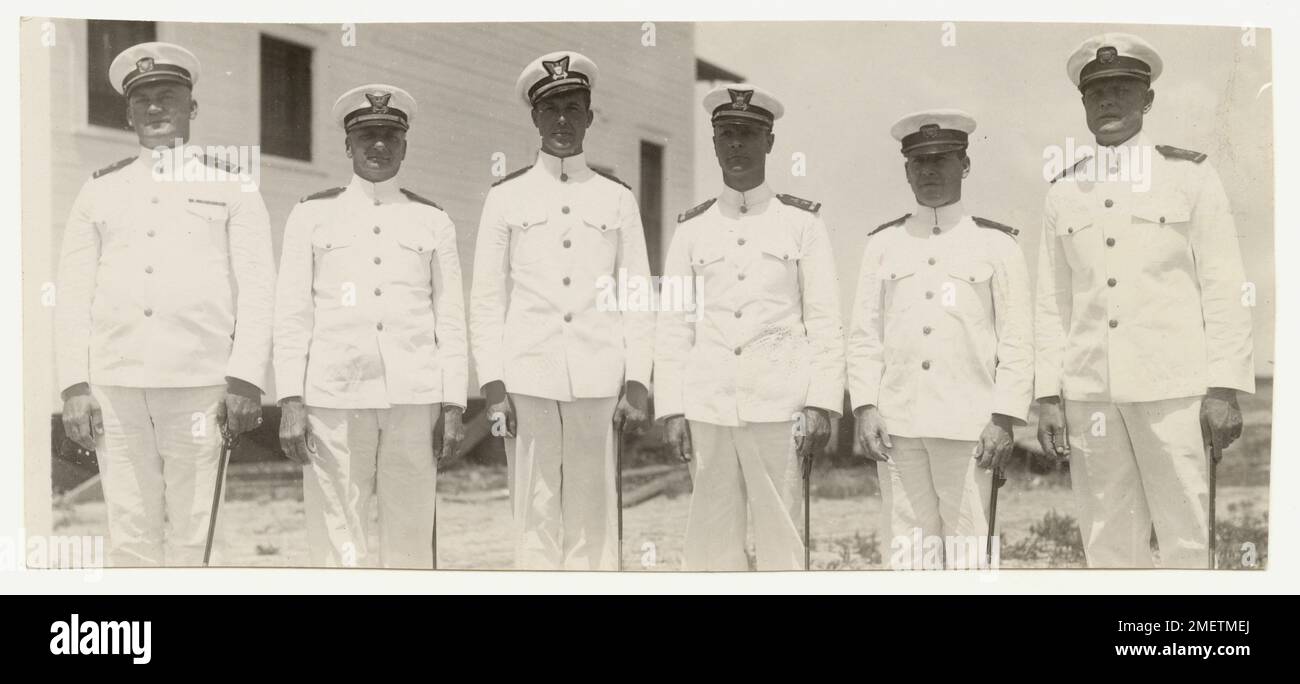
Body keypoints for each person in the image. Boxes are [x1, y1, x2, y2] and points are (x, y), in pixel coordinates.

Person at [1035, 33, 1254, 568]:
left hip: (1173, 390)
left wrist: (1224, 386)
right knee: (1107, 538)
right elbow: (1052, 301)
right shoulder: (1064, 192)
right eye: (1097, 92)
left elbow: (1226, 286)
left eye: (1121, 88)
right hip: (1092, 393)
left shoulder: (1189, 175)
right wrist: (1046, 394)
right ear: (1083, 103)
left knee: (1185, 536)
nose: (1108, 100)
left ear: (1147, 98)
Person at [55, 42, 275, 566]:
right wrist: (73, 387)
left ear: (191, 107)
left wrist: (245, 381)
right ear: (128, 111)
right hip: (115, 386)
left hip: (200, 386)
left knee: (197, 536)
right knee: (130, 536)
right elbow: (73, 292)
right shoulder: (99, 189)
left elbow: (260, 285)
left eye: (169, 96)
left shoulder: (231, 185)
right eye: (144, 99)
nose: (156, 108)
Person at [469, 52, 653, 570]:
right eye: (552, 109)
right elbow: (487, 298)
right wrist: (494, 387)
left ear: (591, 116)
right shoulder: (506, 196)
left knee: (595, 521)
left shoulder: (616, 198)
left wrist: (637, 380)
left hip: (598, 376)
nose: (564, 121)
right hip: (528, 376)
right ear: (535, 118)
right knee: (534, 513)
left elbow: (637, 292)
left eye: (575, 108)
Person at [273, 84, 467, 568]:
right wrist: (291, 400)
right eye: (366, 136)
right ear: (348, 145)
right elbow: (293, 312)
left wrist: (455, 403)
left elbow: (450, 316)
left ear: (404, 144)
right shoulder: (311, 214)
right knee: (337, 535)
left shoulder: (432, 219)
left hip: (413, 399)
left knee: (410, 534)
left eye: (388, 135)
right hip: (335, 399)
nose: (377, 145)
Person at [655, 84, 844, 571]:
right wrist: (673, 407)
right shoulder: (692, 229)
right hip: (710, 404)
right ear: (714, 142)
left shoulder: (802, 224)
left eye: (748, 133)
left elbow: (824, 318)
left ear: (770, 142)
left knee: (783, 535)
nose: (736, 144)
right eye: (726, 134)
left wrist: (822, 401)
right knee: (712, 540)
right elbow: (674, 322)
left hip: (779, 405)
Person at [847, 110, 1033, 570]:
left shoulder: (997, 245)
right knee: (908, 550)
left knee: (969, 551)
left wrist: (1004, 418)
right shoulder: (883, 244)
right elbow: (864, 334)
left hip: (970, 425)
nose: (930, 171)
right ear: (906, 170)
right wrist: (866, 407)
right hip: (899, 424)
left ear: (965, 165)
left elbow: (1018, 340)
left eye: (943, 160)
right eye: (920, 162)